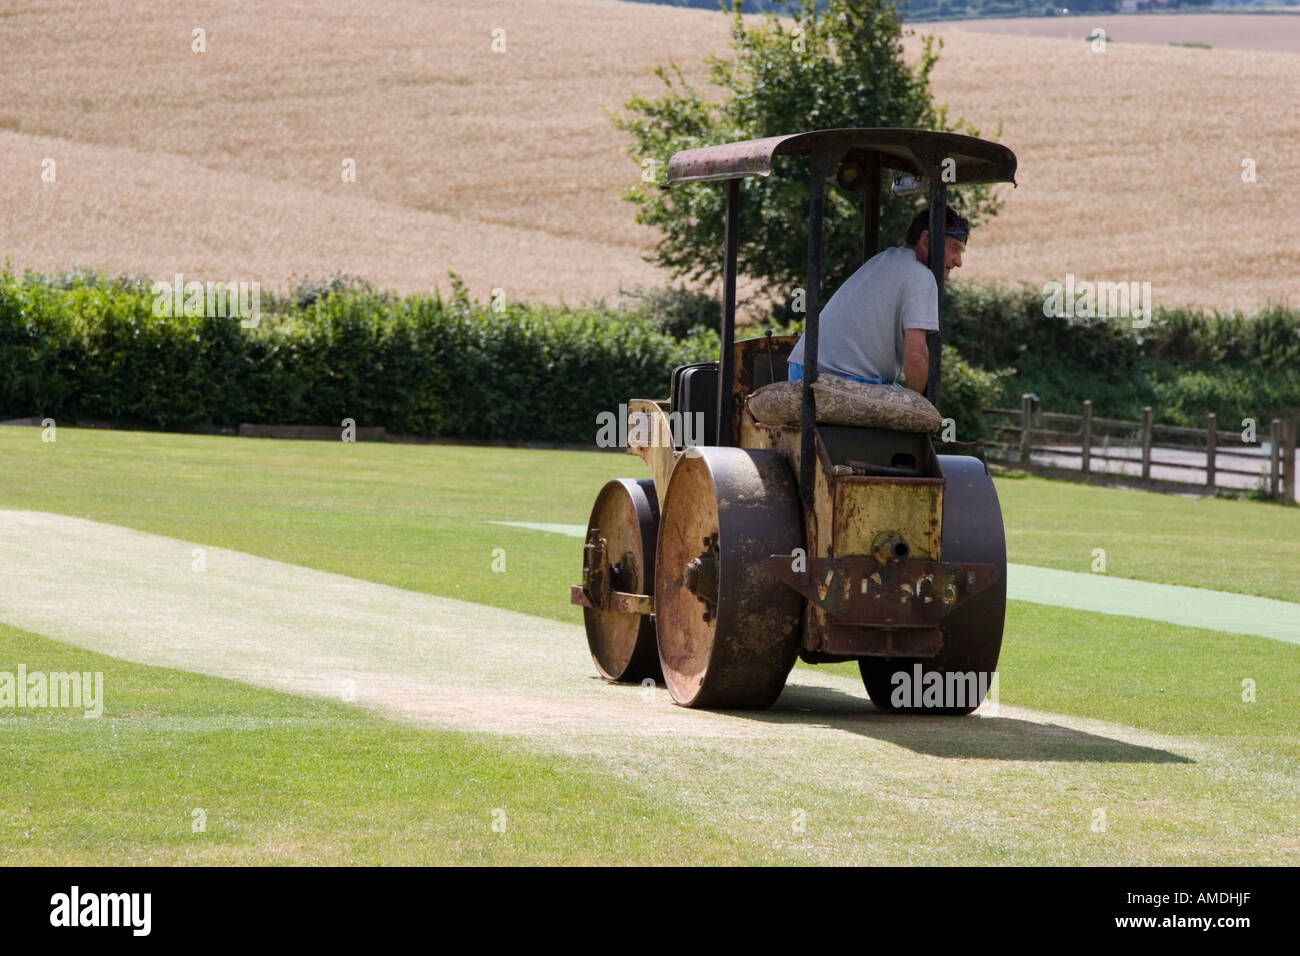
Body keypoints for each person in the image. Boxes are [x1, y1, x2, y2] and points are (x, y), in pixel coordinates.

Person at [786, 205, 970, 396]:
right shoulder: (921, 275)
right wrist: (922, 407)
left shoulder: (884, 259)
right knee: (917, 413)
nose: (958, 262)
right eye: (954, 249)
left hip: (802, 369)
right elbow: (916, 355)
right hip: (837, 378)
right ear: (926, 239)